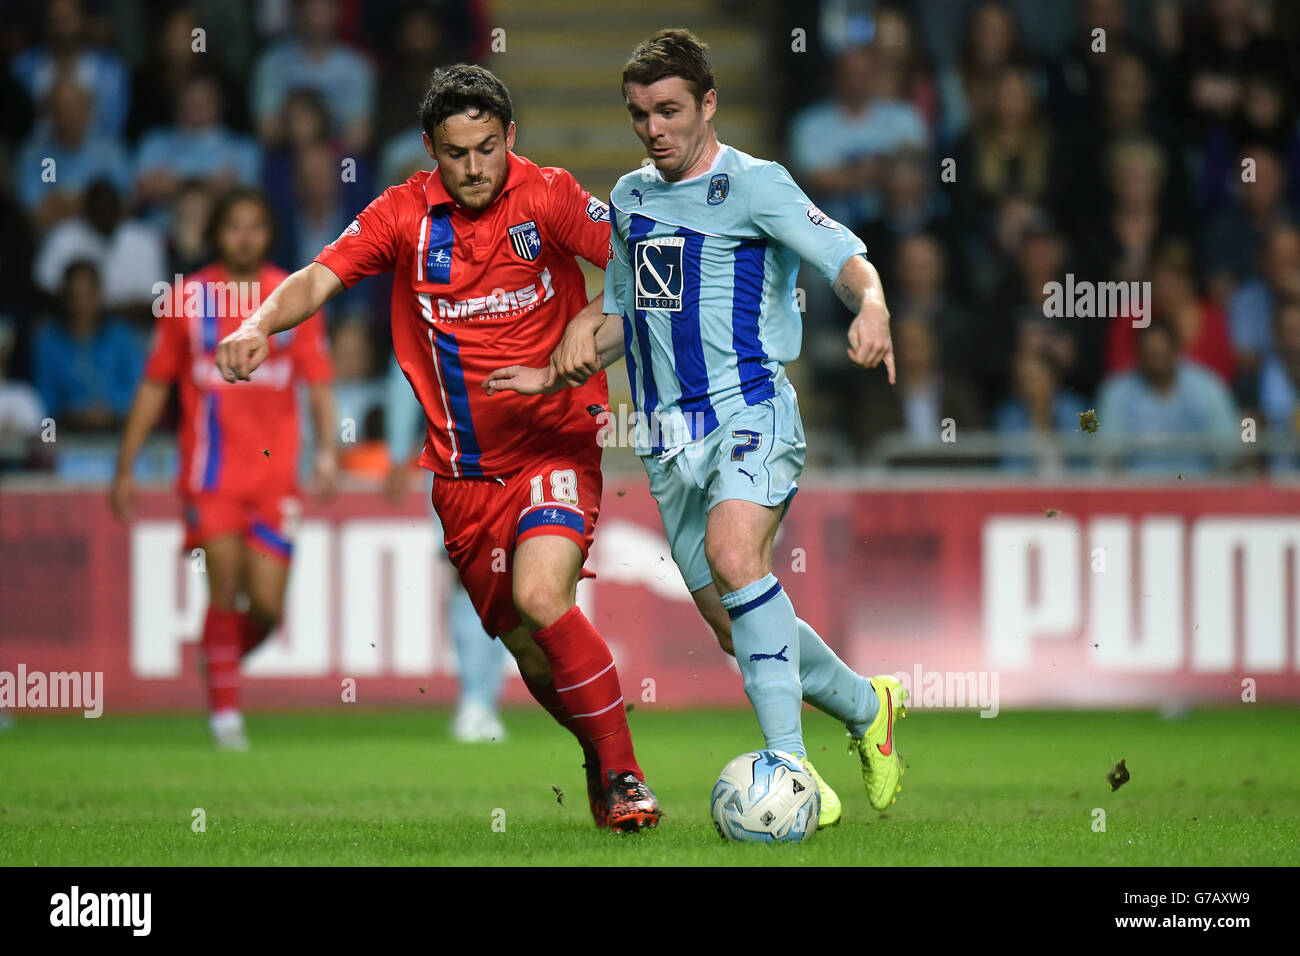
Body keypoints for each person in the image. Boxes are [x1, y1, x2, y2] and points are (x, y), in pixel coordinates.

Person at [214, 65, 659, 831]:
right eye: (457, 153)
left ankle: (622, 776)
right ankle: (597, 746)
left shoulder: (549, 194)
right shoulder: (402, 215)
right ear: (431, 150)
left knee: (543, 597)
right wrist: (257, 324)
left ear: (510, 137)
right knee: (529, 650)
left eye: (488, 147)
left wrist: (595, 330)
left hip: (554, 443)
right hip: (461, 475)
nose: (476, 167)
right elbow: (320, 275)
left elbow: (636, 261)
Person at [488, 30, 906, 827]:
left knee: (733, 555)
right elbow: (630, 317)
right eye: (640, 114)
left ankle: (792, 769)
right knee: (736, 627)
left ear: (709, 104)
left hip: (751, 411)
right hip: (665, 441)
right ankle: (867, 704)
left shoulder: (758, 186)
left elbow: (844, 258)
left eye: (670, 110)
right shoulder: (636, 198)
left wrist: (875, 307)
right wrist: (554, 368)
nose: (654, 128)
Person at [110, 189, 337, 750]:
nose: (244, 236)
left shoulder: (294, 293)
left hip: (275, 477)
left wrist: (329, 450)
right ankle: (226, 717)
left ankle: (220, 658)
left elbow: (319, 381)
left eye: (255, 226)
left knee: (266, 606)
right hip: (210, 476)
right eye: (233, 226)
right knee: (225, 588)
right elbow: (156, 383)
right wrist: (125, 465)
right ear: (216, 234)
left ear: (268, 233)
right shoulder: (187, 300)